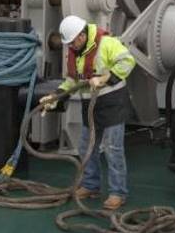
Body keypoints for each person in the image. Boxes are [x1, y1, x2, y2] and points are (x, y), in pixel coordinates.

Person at [38, 15, 136, 211]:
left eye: (74, 42)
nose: (72, 46)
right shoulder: (76, 53)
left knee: (112, 149)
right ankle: (91, 185)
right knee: (85, 147)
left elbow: (128, 61)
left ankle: (118, 193)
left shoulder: (106, 43)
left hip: (112, 104)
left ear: (82, 35)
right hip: (90, 107)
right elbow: (72, 82)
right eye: (70, 44)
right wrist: (55, 97)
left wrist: (106, 78)